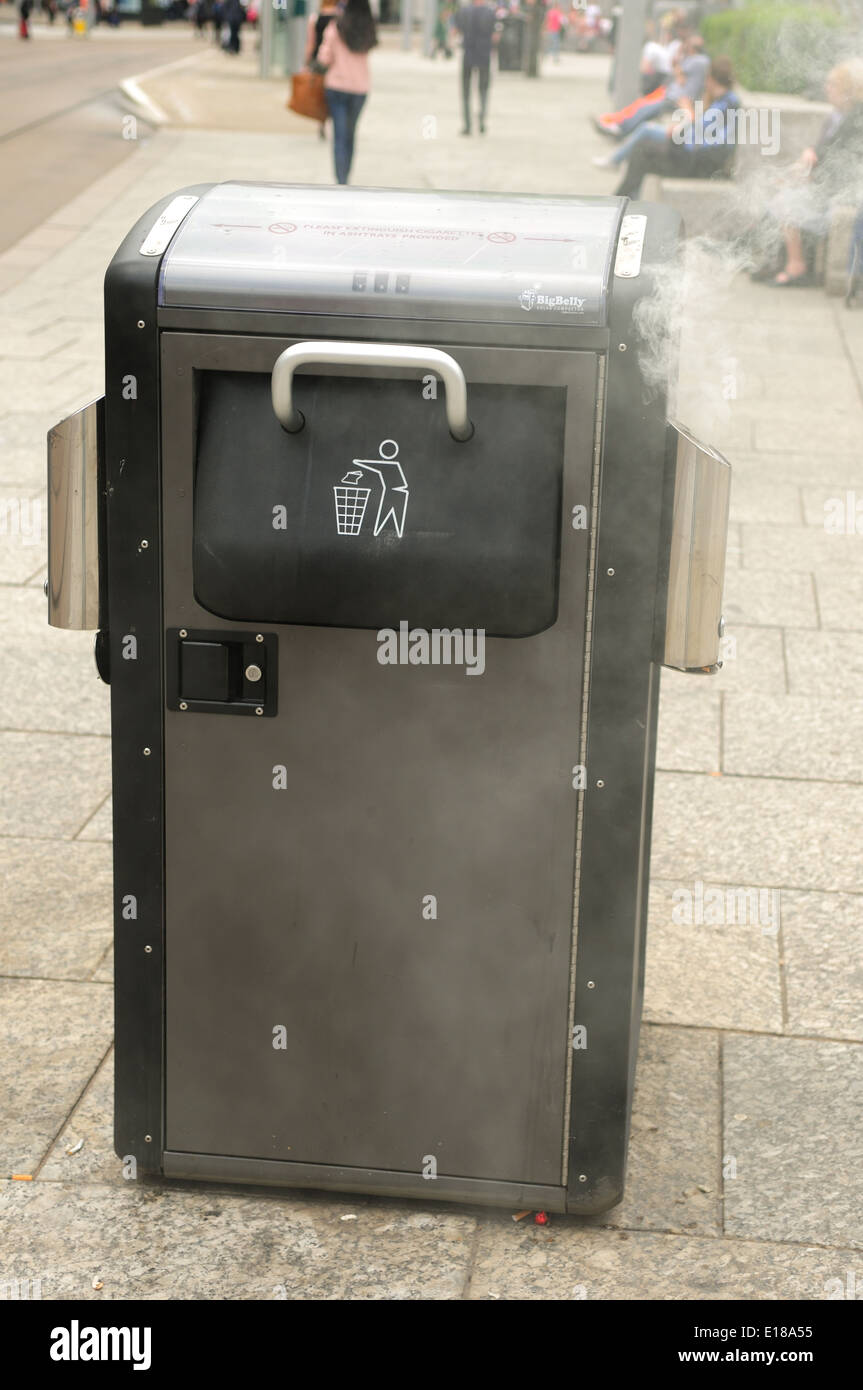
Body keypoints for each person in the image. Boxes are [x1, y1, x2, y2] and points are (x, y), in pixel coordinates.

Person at [757, 60, 863, 288]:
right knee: (776, 192)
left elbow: (848, 165)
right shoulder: (834, 117)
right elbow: (821, 154)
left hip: (842, 193)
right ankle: (778, 260)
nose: (827, 89)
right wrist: (808, 158)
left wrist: (810, 173)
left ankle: (797, 266)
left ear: (847, 91)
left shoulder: (856, 121)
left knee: (787, 201)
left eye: (832, 85)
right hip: (824, 185)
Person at [592, 57, 740, 200]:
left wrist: (680, 135)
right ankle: (625, 199)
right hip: (695, 158)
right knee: (642, 149)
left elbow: (707, 139)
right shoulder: (726, 101)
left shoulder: (726, 105)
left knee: (642, 152)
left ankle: (622, 199)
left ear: (711, 79)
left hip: (696, 163)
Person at [594, 30, 707, 138]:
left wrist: (679, 58)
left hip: (678, 100)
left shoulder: (699, 61)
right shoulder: (692, 59)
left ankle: (620, 129)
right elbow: (677, 71)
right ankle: (615, 124)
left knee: (646, 109)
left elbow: (680, 76)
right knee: (641, 105)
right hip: (672, 95)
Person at [318, 0, 377, 186]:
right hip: (360, 89)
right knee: (351, 135)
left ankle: (340, 179)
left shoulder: (336, 27)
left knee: (339, 135)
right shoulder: (368, 29)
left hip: (337, 87)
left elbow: (324, 57)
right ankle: (346, 176)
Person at [454, 0, 497, 136]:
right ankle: (482, 121)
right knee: (483, 90)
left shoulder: (464, 11)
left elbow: (456, 30)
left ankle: (467, 125)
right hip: (484, 55)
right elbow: (496, 36)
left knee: (466, 92)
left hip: (468, 54)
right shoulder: (491, 12)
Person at [306, 1, 340, 139]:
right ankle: (333, 120)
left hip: (318, 60)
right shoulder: (340, 18)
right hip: (335, 62)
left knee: (320, 94)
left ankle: (321, 122)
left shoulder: (315, 18)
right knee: (333, 94)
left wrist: (307, 61)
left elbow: (311, 42)